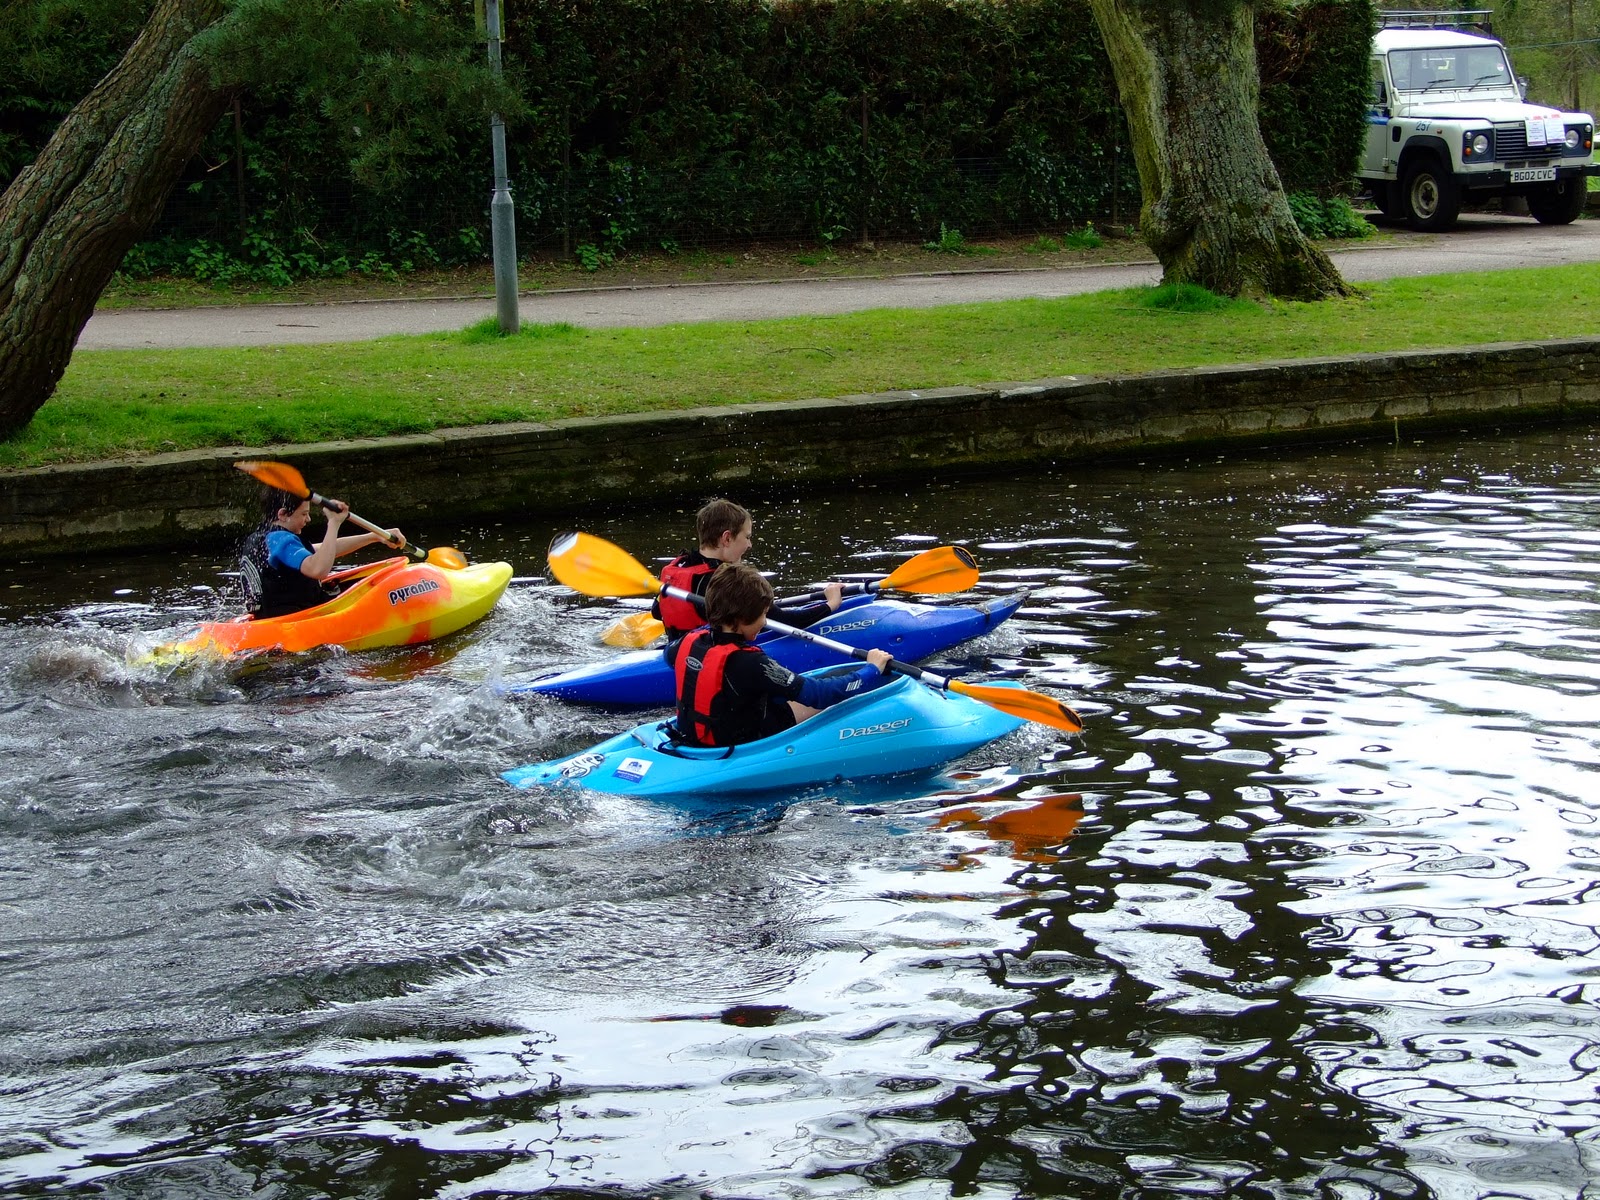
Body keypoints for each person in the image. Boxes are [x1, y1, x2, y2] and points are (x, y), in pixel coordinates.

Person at [673, 562, 892, 748]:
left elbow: (672, 658)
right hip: (739, 742)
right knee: (833, 699)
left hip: (697, 735)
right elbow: (819, 695)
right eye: (763, 615)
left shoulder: (689, 641)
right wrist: (871, 669)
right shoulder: (752, 663)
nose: (765, 622)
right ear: (743, 618)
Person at [651, 497, 845, 650]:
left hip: (676, 649)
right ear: (727, 538)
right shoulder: (727, 581)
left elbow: (657, 613)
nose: (749, 545)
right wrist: (830, 605)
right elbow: (786, 620)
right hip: (708, 658)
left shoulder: (677, 568)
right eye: (747, 537)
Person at [240, 488, 405, 619]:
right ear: (282, 515)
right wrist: (334, 523)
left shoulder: (265, 538)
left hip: (271, 615)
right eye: (304, 514)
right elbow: (318, 569)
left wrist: (373, 537)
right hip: (295, 618)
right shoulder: (280, 540)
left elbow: (322, 550)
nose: (308, 519)